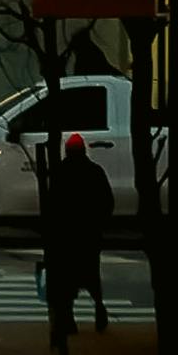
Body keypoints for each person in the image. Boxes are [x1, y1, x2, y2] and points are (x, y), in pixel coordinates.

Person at [43, 130, 113, 335]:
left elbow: (53, 204)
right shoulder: (95, 171)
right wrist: (100, 224)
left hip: (66, 235)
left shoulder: (60, 172)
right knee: (92, 274)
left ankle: (69, 319)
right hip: (89, 233)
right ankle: (99, 307)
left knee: (67, 279)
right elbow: (107, 201)